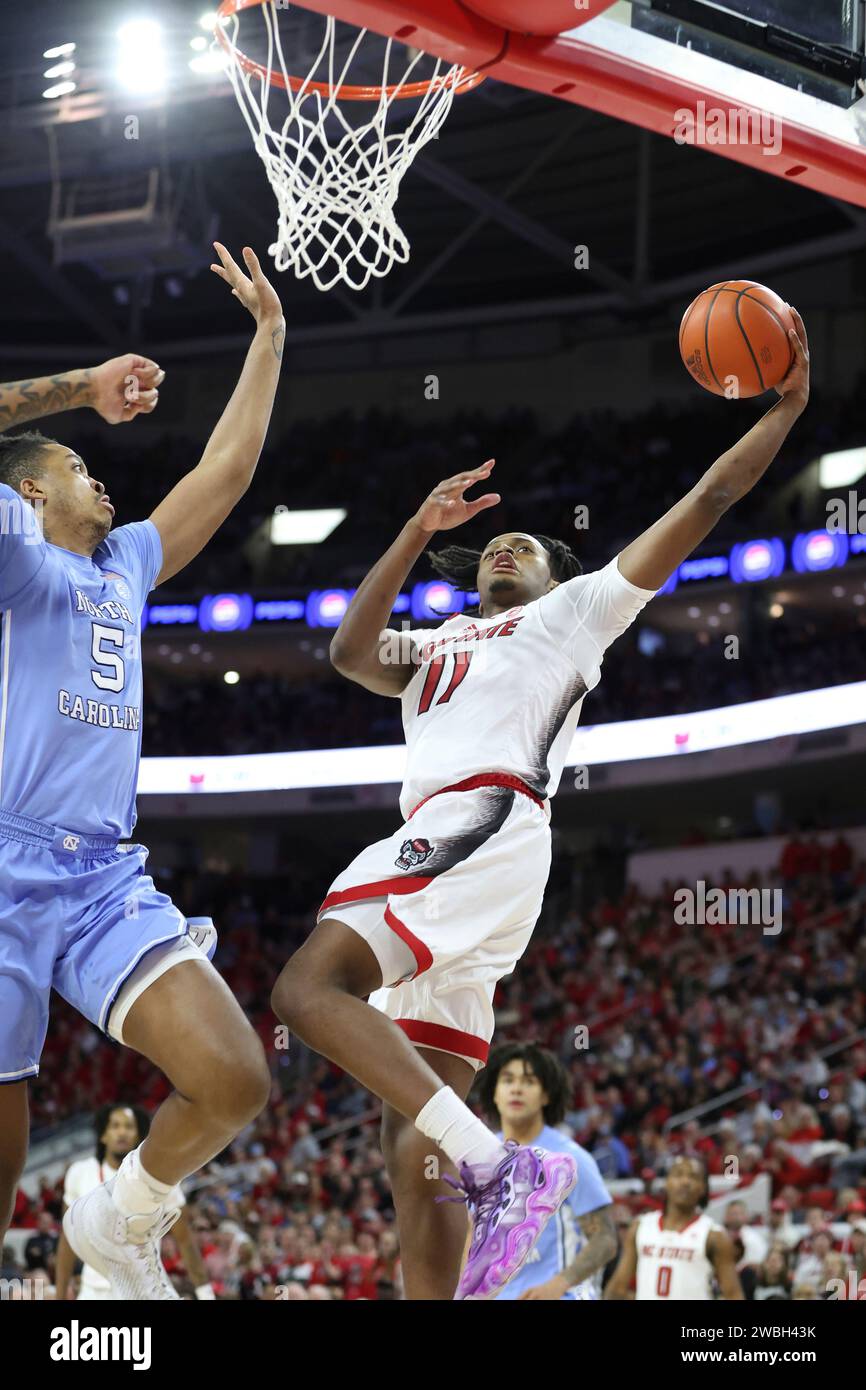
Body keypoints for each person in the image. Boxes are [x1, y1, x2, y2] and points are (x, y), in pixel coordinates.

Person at [271, 311, 811, 1301]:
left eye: (523, 544)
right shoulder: (433, 644)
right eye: (489, 547)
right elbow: (350, 653)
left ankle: (496, 1167)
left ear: (558, 575)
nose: (502, 550)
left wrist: (784, 409)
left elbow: (709, 493)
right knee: (409, 1130)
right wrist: (414, 531)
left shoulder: (572, 615)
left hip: (478, 824)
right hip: (466, 853)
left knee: (306, 991)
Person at [0, 242, 284, 1299]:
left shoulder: (122, 562)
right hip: (5, 869)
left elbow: (225, 472)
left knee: (235, 1078)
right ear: (28, 492)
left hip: (104, 877)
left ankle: (122, 1215)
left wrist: (269, 338)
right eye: (75, 464)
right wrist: (80, 388)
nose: (98, 469)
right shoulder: (13, 552)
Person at [475, 1043, 617, 1299]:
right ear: (494, 1093)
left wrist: (558, 1285)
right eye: (507, 1080)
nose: (516, 1088)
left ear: (546, 1095)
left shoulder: (571, 1158)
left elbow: (605, 1239)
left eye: (528, 1081)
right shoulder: (480, 1160)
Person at [55, 1103, 213, 1300]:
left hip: (148, 1287)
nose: (122, 1132)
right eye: (115, 1126)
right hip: (94, 1291)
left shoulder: (162, 1175)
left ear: (139, 1135)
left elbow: (184, 1239)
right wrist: (60, 1295)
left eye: (129, 1126)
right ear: (103, 1135)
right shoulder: (80, 1173)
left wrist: (205, 1293)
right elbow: (67, 1239)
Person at [605, 1156, 743, 1301]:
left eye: (693, 1177)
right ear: (667, 1183)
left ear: (703, 1188)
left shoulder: (714, 1235)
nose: (685, 1182)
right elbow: (617, 1289)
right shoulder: (641, 1226)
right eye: (678, 1174)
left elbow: (734, 1295)